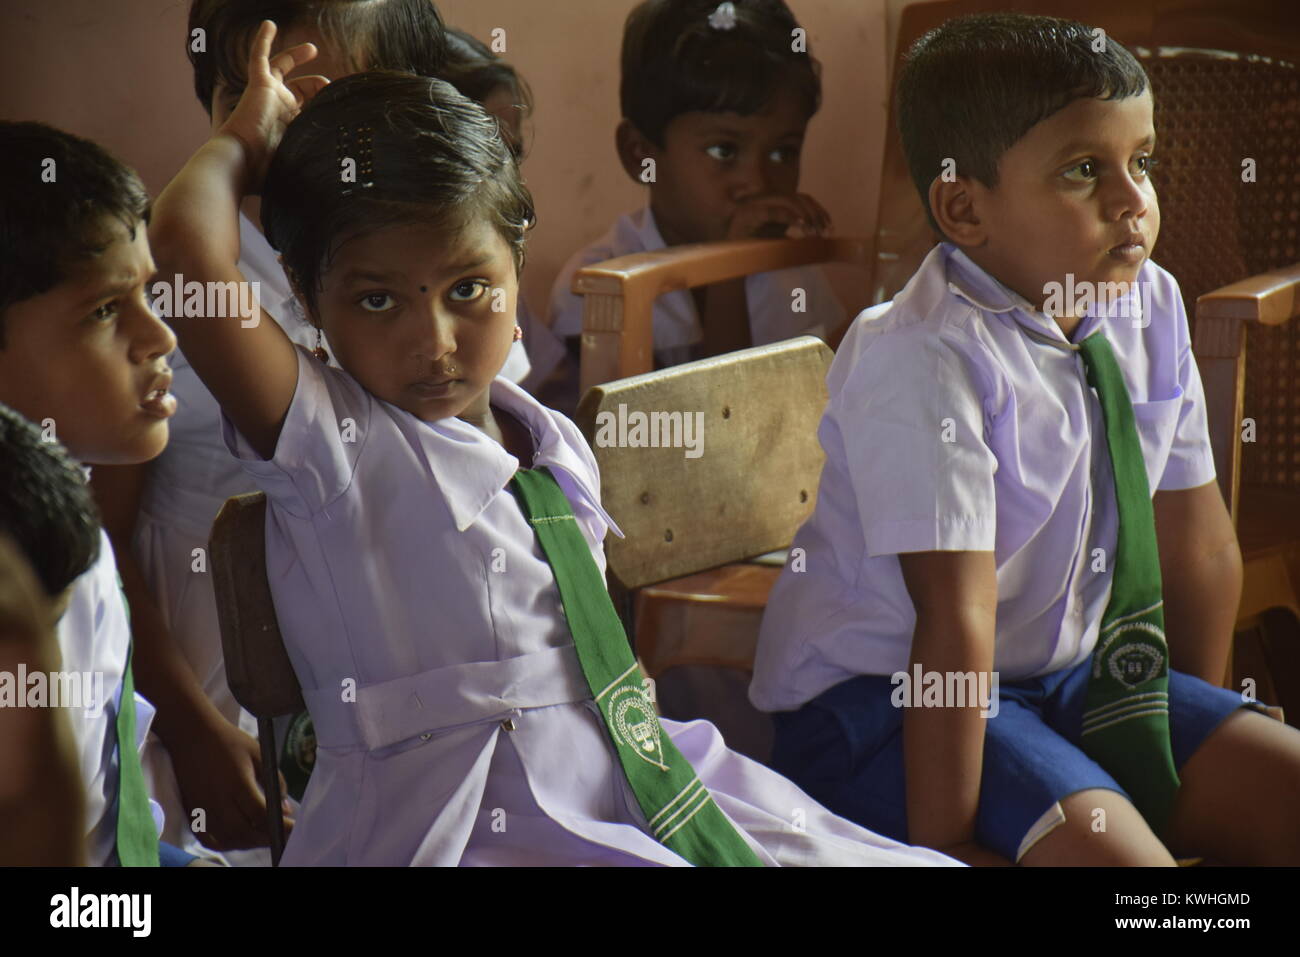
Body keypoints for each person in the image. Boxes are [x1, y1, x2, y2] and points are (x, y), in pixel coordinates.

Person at [147, 21, 958, 866]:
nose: (434, 340)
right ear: (310, 306)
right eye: (377, 301)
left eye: (469, 288)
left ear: (516, 259)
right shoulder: (331, 439)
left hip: (621, 767)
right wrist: (243, 142)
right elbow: (183, 253)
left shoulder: (549, 435)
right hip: (461, 816)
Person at [750, 12, 1300, 866]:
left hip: (1073, 678)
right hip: (893, 707)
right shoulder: (923, 355)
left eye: (1141, 162)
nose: (1133, 200)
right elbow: (955, 617)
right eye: (1086, 171)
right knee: (1138, 887)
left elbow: (1200, 545)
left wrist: (1189, 729)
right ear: (963, 207)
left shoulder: (1147, 303)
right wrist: (949, 844)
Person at [89, 0, 508, 864]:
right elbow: (101, 538)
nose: (277, 126)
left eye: (308, 98)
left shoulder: (448, 280)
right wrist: (193, 730)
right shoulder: (165, 297)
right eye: (245, 101)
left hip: (419, 717)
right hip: (212, 716)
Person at [0, 121, 179, 865]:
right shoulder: (15, 576)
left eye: (147, 293)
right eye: (105, 312)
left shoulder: (67, 502)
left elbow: (113, 796)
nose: (160, 336)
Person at [542, 0, 844, 413]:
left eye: (783, 152)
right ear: (640, 156)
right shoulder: (596, 286)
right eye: (724, 150)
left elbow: (796, 428)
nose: (756, 182)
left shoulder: (791, 273)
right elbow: (703, 438)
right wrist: (728, 270)